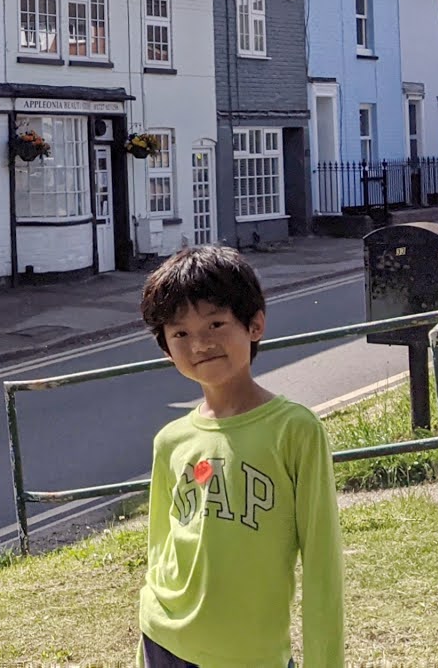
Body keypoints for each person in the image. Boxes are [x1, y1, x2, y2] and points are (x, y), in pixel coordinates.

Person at [136, 245, 344, 668]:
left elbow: (322, 562)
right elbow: (160, 551)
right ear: (166, 348)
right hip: (165, 640)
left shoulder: (294, 430)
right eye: (180, 333)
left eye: (215, 323)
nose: (200, 344)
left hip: (251, 654)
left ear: (255, 325)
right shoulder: (170, 441)